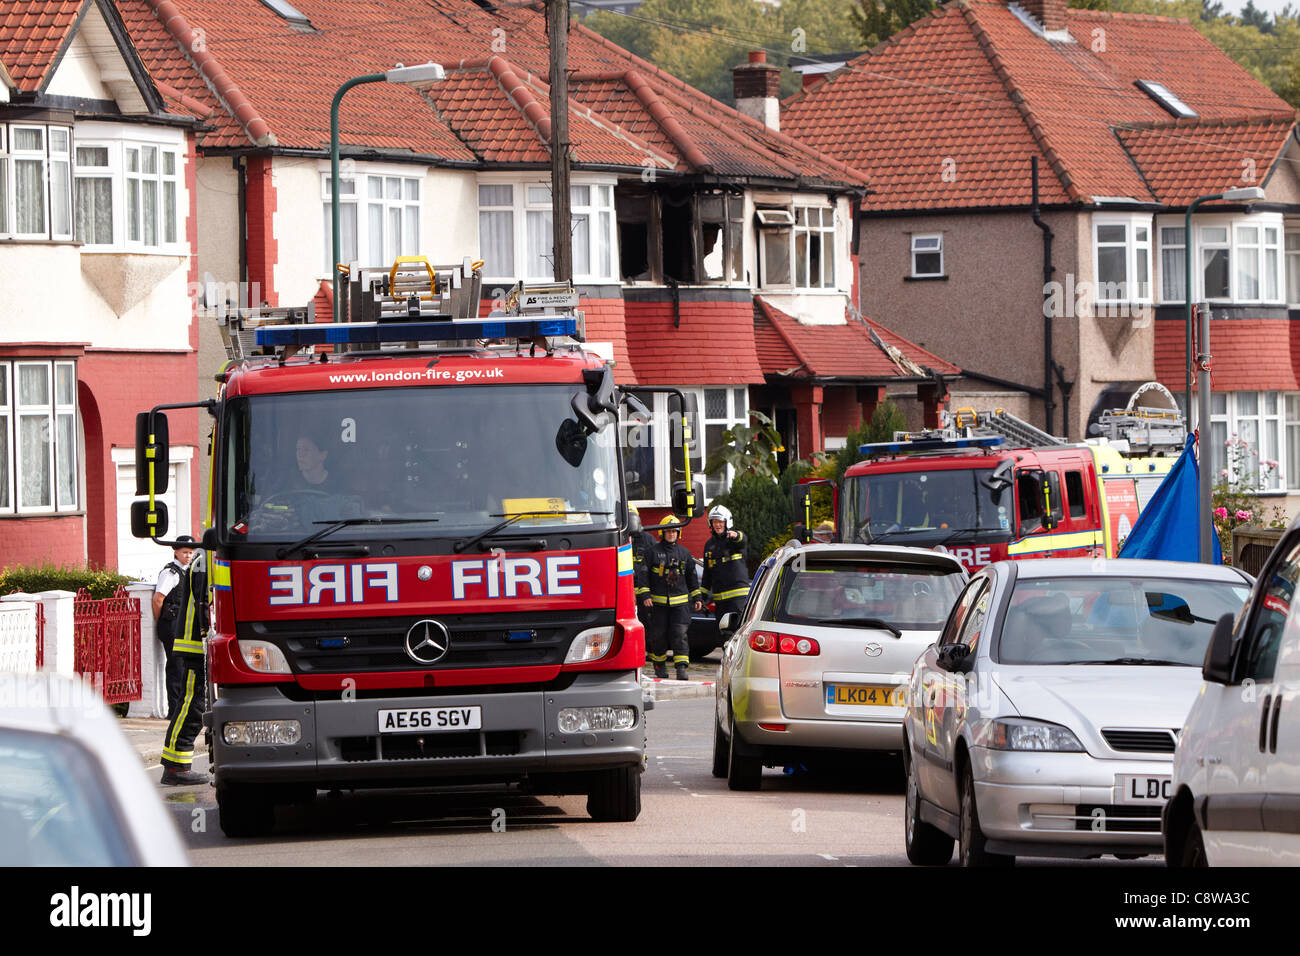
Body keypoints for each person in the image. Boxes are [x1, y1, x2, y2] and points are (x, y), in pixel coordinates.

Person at [160, 549, 210, 786]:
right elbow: (206, 605)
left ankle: (177, 765)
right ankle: (175, 768)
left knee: (194, 705)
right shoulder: (204, 562)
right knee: (191, 705)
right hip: (195, 647)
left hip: (201, 646)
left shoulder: (207, 559)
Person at [646, 515, 703, 681]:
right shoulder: (652, 553)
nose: (671, 534)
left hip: (680, 605)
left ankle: (681, 669)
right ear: (661, 533)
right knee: (658, 636)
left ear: (679, 533)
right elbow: (644, 576)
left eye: (674, 531)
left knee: (680, 635)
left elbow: (692, 579)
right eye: (668, 531)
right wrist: (645, 595)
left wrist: (697, 597)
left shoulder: (684, 553)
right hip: (658, 605)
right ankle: (660, 666)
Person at [152, 535, 196, 715]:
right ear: (176, 552)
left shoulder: (187, 571)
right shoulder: (170, 573)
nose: (188, 556)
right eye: (185, 552)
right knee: (175, 667)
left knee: (183, 667)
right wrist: (160, 620)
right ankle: (174, 710)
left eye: (191, 552)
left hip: (181, 625)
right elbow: (158, 599)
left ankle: (181, 708)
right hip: (171, 624)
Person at [702, 505, 750, 628]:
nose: (717, 525)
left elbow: (742, 540)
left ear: (727, 522)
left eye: (720, 521)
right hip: (720, 600)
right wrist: (701, 597)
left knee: (739, 630)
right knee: (724, 634)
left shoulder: (733, 540)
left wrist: (736, 535)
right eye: (714, 522)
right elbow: (707, 574)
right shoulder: (709, 545)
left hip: (737, 598)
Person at [628, 505, 657, 633]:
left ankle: (650, 652)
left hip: (644, 596)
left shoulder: (648, 540)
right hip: (625, 595)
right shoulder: (614, 539)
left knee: (648, 626)